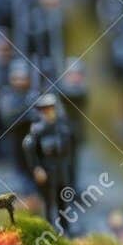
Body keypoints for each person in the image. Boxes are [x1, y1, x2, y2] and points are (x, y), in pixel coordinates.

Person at [23, 94, 77, 233]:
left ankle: (65, 227)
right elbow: (29, 148)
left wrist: (69, 167)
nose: (48, 113)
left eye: (50, 109)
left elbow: (70, 148)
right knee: (48, 201)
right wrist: (36, 168)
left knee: (63, 199)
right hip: (47, 170)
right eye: (45, 110)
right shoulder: (37, 130)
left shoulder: (62, 127)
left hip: (61, 169)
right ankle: (48, 227)